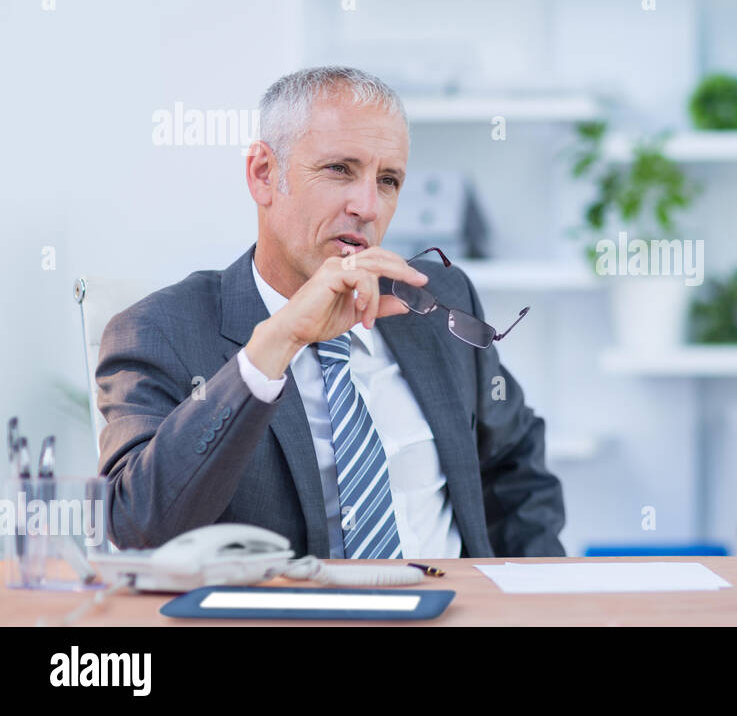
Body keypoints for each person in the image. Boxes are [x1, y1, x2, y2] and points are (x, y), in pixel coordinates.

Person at [96, 66, 565, 559]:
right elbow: (138, 522)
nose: (367, 206)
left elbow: (515, 469)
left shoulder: (434, 299)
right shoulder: (158, 332)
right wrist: (274, 347)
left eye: (388, 180)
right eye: (340, 169)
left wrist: (539, 598)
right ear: (263, 175)